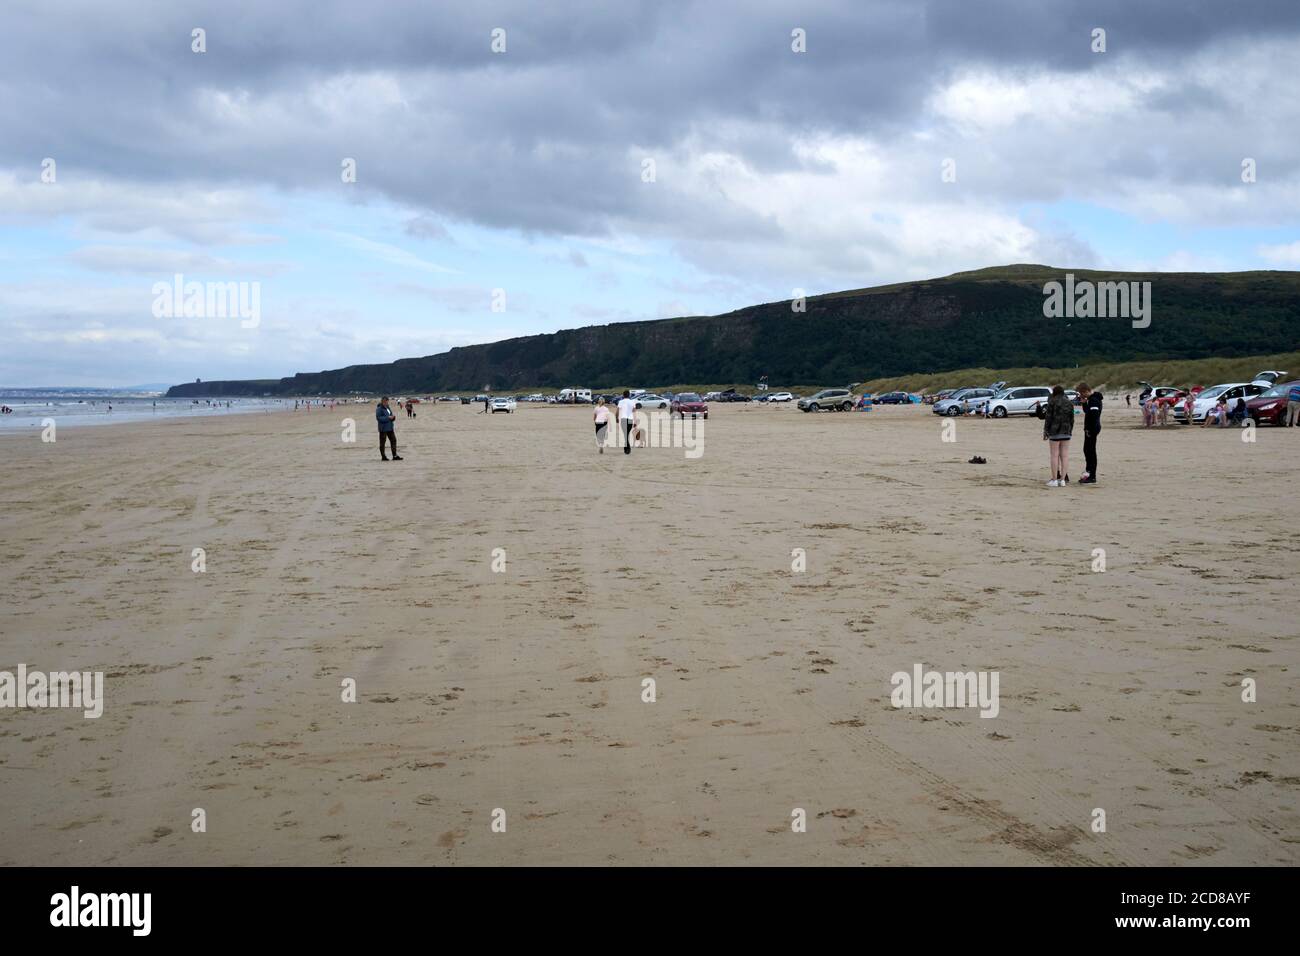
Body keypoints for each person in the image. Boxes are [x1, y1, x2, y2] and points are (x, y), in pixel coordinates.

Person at [1041, 384, 1074, 487]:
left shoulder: (1052, 402)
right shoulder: (1069, 403)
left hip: (1054, 432)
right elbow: (1072, 419)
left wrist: (1046, 431)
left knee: (1054, 455)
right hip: (1066, 431)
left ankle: (1055, 479)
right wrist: (1070, 430)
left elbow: (1048, 418)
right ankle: (1063, 480)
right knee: (1065, 456)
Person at [1077, 383, 1102, 484]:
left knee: (1090, 452)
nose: (1082, 396)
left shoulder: (1094, 400)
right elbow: (1088, 411)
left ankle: (1092, 475)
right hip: (1091, 428)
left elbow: (1094, 415)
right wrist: (1084, 403)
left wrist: (1089, 429)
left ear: (1086, 391)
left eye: (1082, 394)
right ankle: (1089, 473)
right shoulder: (1091, 400)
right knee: (1087, 450)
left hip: (1092, 429)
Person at [377, 396, 402, 461]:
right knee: (382, 443)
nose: (386, 403)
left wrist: (393, 417)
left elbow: (390, 415)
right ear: (382, 401)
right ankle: (383, 457)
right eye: (385, 401)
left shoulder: (388, 407)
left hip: (390, 427)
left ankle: (394, 455)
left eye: (387, 401)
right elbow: (379, 418)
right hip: (383, 428)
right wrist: (388, 418)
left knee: (394, 440)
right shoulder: (379, 409)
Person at [617, 390, 637, 455]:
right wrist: (635, 421)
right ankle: (627, 448)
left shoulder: (621, 402)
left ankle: (627, 448)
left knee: (625, 434)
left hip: (623, 419)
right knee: (627, 434)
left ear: (623, 395)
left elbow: (617, 411)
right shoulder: (632, 402)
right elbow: (634, 412)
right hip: (630, 419)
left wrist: (616, 418)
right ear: (629, 395)